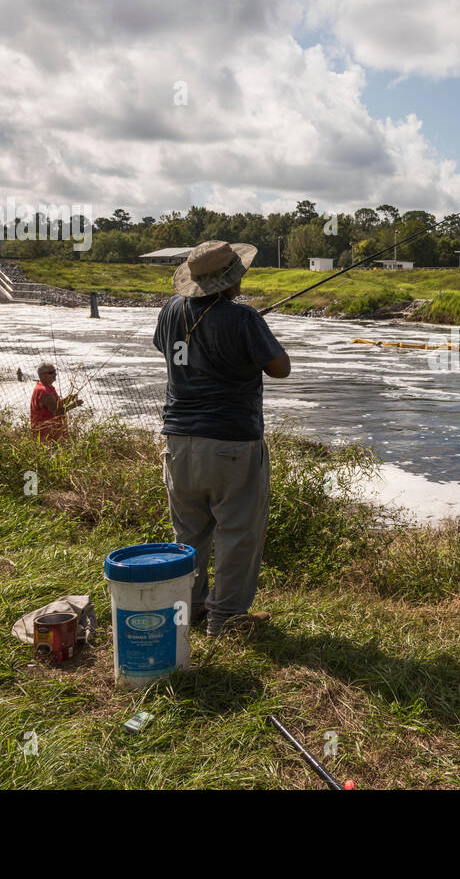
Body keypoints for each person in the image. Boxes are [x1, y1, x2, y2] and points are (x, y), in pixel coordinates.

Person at [153, 240, 291, 637]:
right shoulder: (244, 318)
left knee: (190, 531)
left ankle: (191, 608)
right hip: (232, 442)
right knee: (237, 531)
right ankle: (226, 618)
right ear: (233, 277)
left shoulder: (169, 311)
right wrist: (247, 327)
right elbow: (280, 368)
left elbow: (172, 348)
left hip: (178, 440)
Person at [30, 362, 81, 441]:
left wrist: (68, 399)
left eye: (55, 372)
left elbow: (54, 404)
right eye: (51, 373)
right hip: (47, 433)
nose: (55, 374)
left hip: (51, 431)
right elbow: (56, 411)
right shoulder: (44, 391)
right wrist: (74, 405)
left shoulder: (46, 387)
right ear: (42, 375)